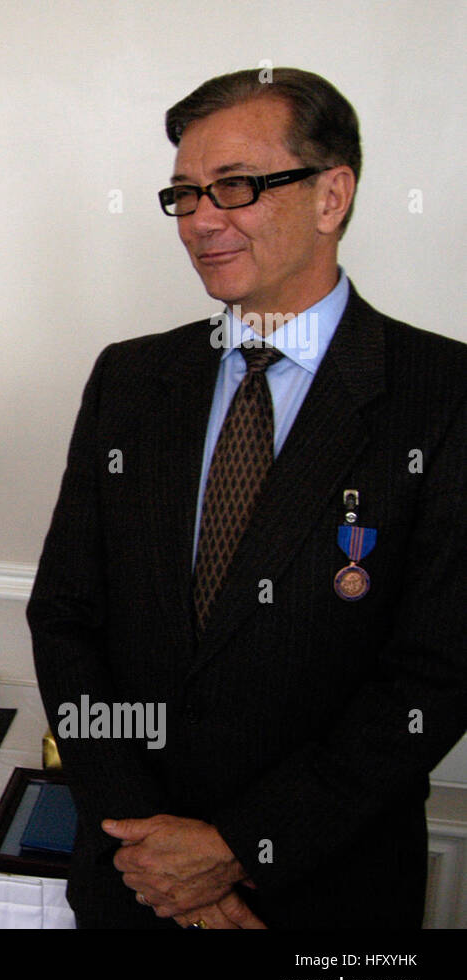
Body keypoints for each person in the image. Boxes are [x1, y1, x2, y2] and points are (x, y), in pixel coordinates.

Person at [26, 68, 467, 929]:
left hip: (324, 896)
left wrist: (236, 846)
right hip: (132, 881)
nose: (199, 221)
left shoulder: (444, 396)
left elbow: (437, 675)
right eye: (185, 194)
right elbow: (67, 616)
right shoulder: (131, 378)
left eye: (235, 187)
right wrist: (145, 843)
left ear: (331, 194)